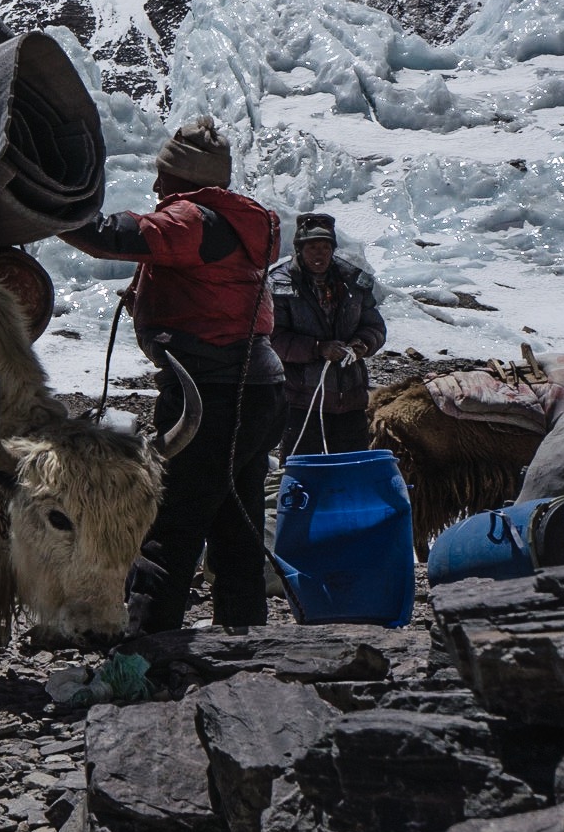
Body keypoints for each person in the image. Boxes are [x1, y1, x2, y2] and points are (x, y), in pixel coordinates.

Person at [57, 116, 285, 632]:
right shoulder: (237, 222)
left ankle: (149, 645)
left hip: (210, 393)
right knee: (236, 520)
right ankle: (242, 638)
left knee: (172, 519)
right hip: (259, 389)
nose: (157, 186)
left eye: (164, 176)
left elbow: (108, 235)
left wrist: (47, 211)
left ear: (185, 180)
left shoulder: (193, 220)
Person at [271, 212, 387, 458]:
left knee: (352, 469)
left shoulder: (353, 281)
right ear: (299, 249)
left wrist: (362, 345)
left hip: (351, 399)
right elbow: (272, 339)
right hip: (303, 402)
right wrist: (317, 349)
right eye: (312, 247)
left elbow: (374, 326)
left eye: (325, 246)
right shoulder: (279, 284)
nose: (319, 253)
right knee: (304, 472)